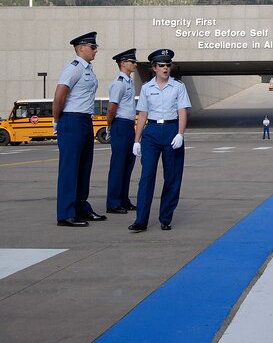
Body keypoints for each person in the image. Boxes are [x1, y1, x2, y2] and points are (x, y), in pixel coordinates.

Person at [130, 49, 192, 232]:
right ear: (154, 68)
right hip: (152, 131)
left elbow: (182, 111)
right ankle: (141, 220)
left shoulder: (178, 86)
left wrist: (180, 134)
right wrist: (137, 140)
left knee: (172, 177)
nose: (166, 68)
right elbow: (142, 114)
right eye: (162, 65)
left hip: (172, 129)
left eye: (168, 65)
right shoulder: (147, 88)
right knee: (146, 177)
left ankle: (166, 217)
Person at [52, 31, 107, 227]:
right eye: (92, 47)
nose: (95, 50)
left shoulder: (88, 69)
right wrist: (57, 121)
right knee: (70, 168)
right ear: (81, 48)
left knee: (84, 167)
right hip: (71, 120)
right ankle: (66, 213)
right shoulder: (73, 68)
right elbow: (60, 96)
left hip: (84, 120)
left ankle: (81, 208)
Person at [105, 48, 139, 214]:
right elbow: (112, 107)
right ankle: (113, 202)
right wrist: (109, 125)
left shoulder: (128, 82)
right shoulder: (119, 83)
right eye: (132, 62)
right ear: (123, 63)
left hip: (129, 125)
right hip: (120, 125)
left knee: (127, 165)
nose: (135, 64)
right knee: (118, 165)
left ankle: (123, 200)